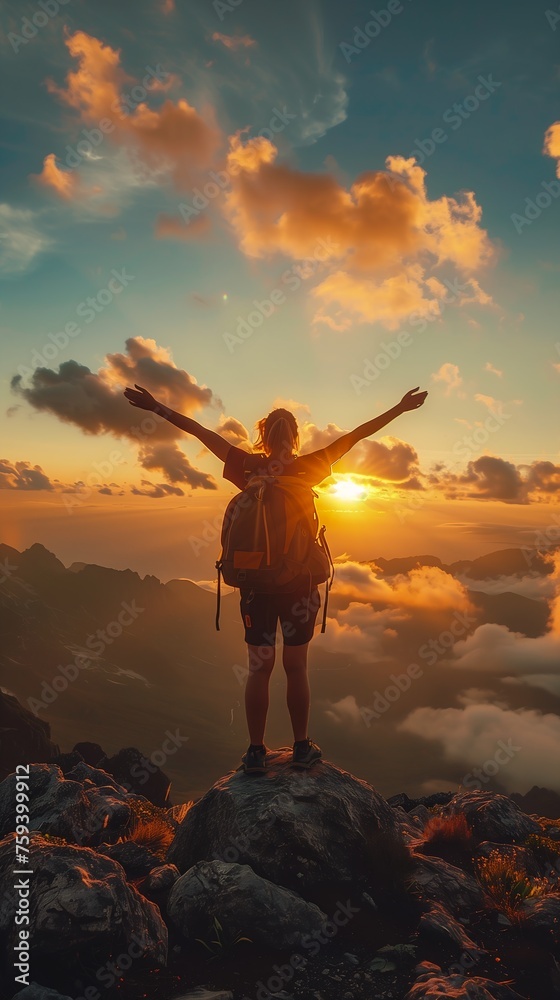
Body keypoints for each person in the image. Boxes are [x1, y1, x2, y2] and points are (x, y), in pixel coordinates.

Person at [124, 383, 428, 773]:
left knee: (259, 669)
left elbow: (200, 432)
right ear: (295, 437)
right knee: (296, 667)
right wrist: (399, 408)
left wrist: (156, 407)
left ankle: (255, 752)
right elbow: (356, 436)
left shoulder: (248, 467)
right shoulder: (308, 467)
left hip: (255, 586)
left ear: (263, 437)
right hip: (299, 586)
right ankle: (301, 748)